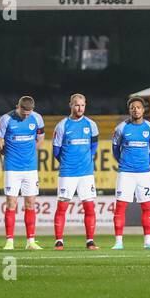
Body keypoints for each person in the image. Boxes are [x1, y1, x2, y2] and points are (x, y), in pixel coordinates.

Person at [0, 96, 45, 250]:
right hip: (12, 168)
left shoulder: (37, 119)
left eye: (29, 113)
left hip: (30, 169)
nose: (26, 116)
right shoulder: (6, 119)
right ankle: (9, 241)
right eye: (23, 113)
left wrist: (29, 152)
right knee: (11, 204)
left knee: (30, 203)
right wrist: (6, 152)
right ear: (18, 107)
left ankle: (31, 241)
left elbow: (40, 139)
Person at [111, 96, 150, 250]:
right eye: (133, 107)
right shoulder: (121, 128)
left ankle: (148, 242)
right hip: (125, 173)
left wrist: (146, 163)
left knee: (146, 207)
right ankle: (118, 242)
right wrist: (123, 163)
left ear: (143, 109)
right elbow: (115, 150)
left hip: (144, 174)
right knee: (120, 207)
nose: (135, 110)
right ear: (129, 110)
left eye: (138, 107)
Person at [53, 93, 99, 250]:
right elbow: (56, 150)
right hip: (68, 173)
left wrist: (86, 160)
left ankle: (90, 241)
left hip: (86, 173)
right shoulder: (62, 125)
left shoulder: (91, 125)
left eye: (82, 105)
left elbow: (94, 146)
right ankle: (59, 241)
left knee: (89, 207)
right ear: (71, 105)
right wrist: (67, 162)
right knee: (62, 207)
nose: (80, 108)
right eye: (77, 105)